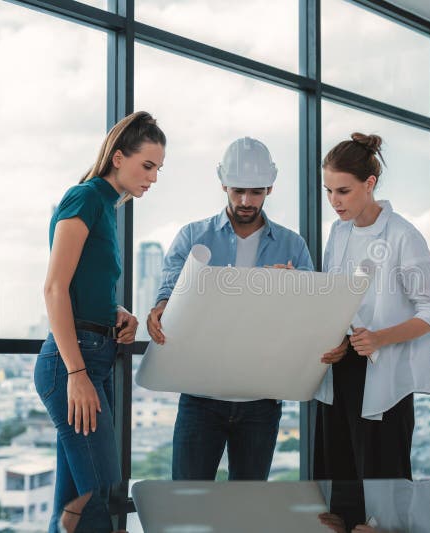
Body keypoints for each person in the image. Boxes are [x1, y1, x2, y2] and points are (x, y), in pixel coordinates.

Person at [147, 136, 313, 481]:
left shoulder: (292, 246)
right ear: (223, 184)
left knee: (248, 504)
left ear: (270, 187)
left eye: (256, 192)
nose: (246, 201)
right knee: (188, 499)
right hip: (200, 395)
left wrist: (294, 289)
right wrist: (162, 308)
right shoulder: (192, 236)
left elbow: (309, 316)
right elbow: (169, 291)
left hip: (261, 400)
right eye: (238, 191)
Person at [34, 111, 166, 532]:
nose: (153, 178)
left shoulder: (108, 207)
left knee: (75, 504)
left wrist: (117, 314)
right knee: (100, 498)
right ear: (118, 158)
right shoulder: (86, 197)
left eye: (158, 169)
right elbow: (54, 288)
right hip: (73, 362)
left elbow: (83, 284)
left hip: (96, 355)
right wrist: (76, 374)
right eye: (147, 166)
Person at [314, 132, 430, 480]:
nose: (334, 201)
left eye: (343, 191)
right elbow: (335, 296)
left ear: (369, 184)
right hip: (340, 369)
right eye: (328, 191)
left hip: (383, 375)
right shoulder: (338, 232)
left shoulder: (403, 235)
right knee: (336, 486)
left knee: (383, 487)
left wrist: (379, 338)